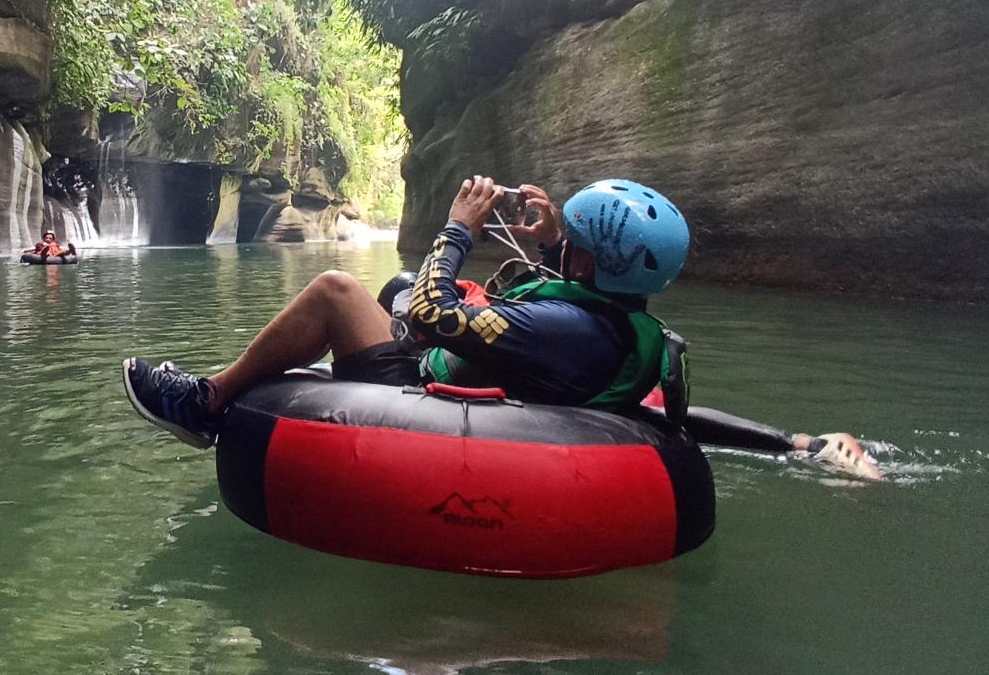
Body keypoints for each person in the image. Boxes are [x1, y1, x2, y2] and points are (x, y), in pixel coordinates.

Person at [122, 176, 878, 476]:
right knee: (387, 285)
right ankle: (801, 444)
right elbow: (667, 413)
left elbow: (431, 313)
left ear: (589, 261)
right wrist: (792, 442)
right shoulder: (629, 325)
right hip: (535, 375)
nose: (563, 245)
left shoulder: (559, 329)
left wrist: (455, 230)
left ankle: (205, 403)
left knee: (333, 290)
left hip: (427, 389)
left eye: (570, 242)